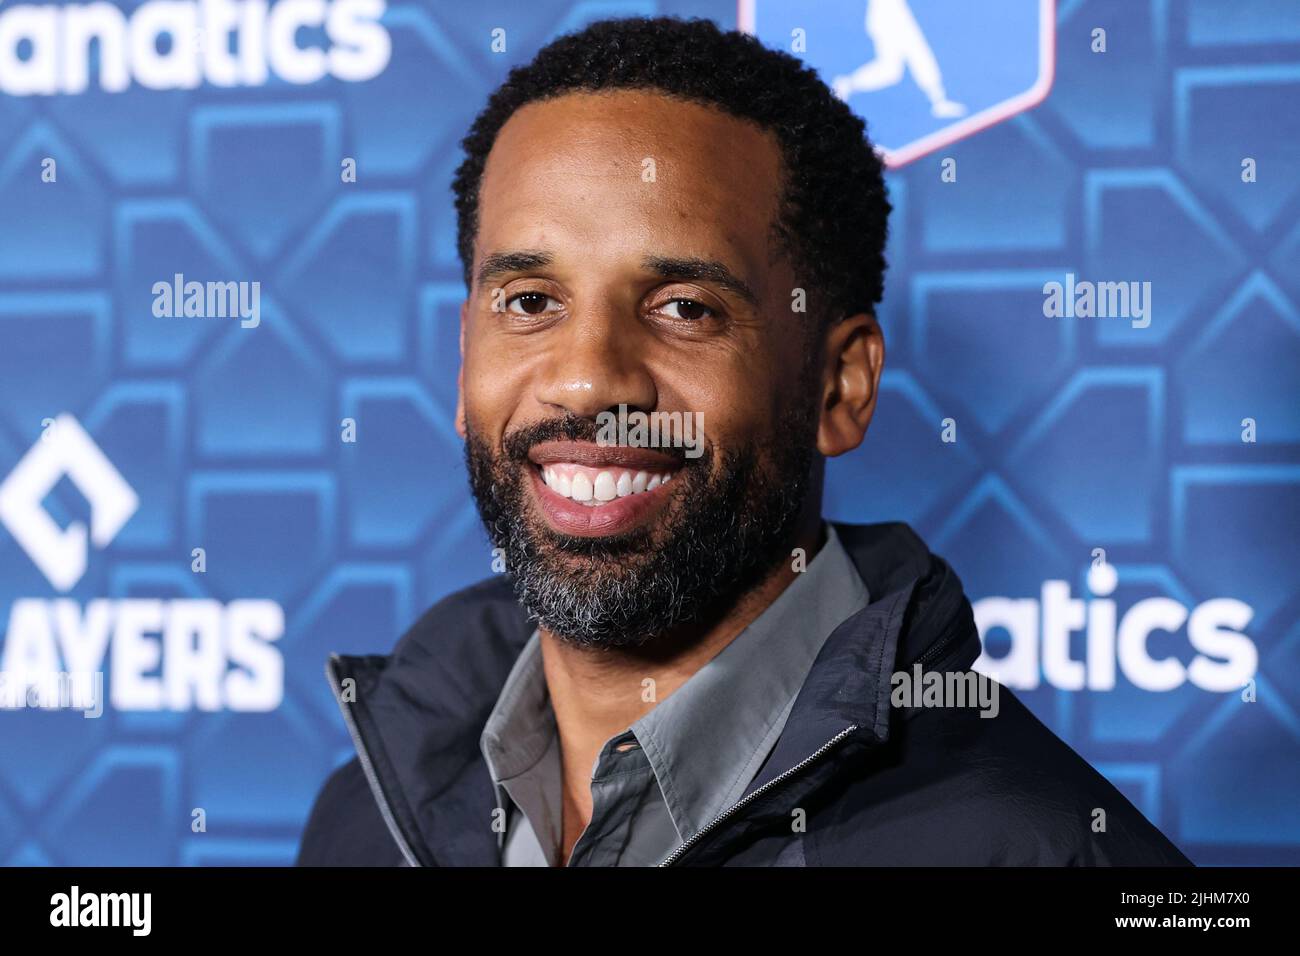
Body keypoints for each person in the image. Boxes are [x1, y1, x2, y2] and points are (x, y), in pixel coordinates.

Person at [297, 15, 1191, 867]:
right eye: (531, 302)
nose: (585, 378)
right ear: (463, 364)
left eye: (685, 308)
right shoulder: (365, 818)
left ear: (839, 386)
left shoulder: (1037, 850)